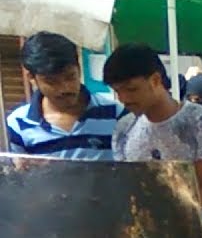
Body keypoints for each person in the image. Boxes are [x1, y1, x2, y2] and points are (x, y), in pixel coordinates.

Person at [107, 44, 202, 214]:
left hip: (200, 233)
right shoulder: (124, 129)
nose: (124, 98)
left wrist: (155, 205)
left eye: (132, 89)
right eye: (117, 91)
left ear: (155, 80)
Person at [6, 31, 122, 160]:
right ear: (32, 78)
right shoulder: (17, 125)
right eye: (52, 81)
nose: (64, 88)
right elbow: (17, 176)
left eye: (70, 77)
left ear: (79, 69)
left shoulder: (117, 114)